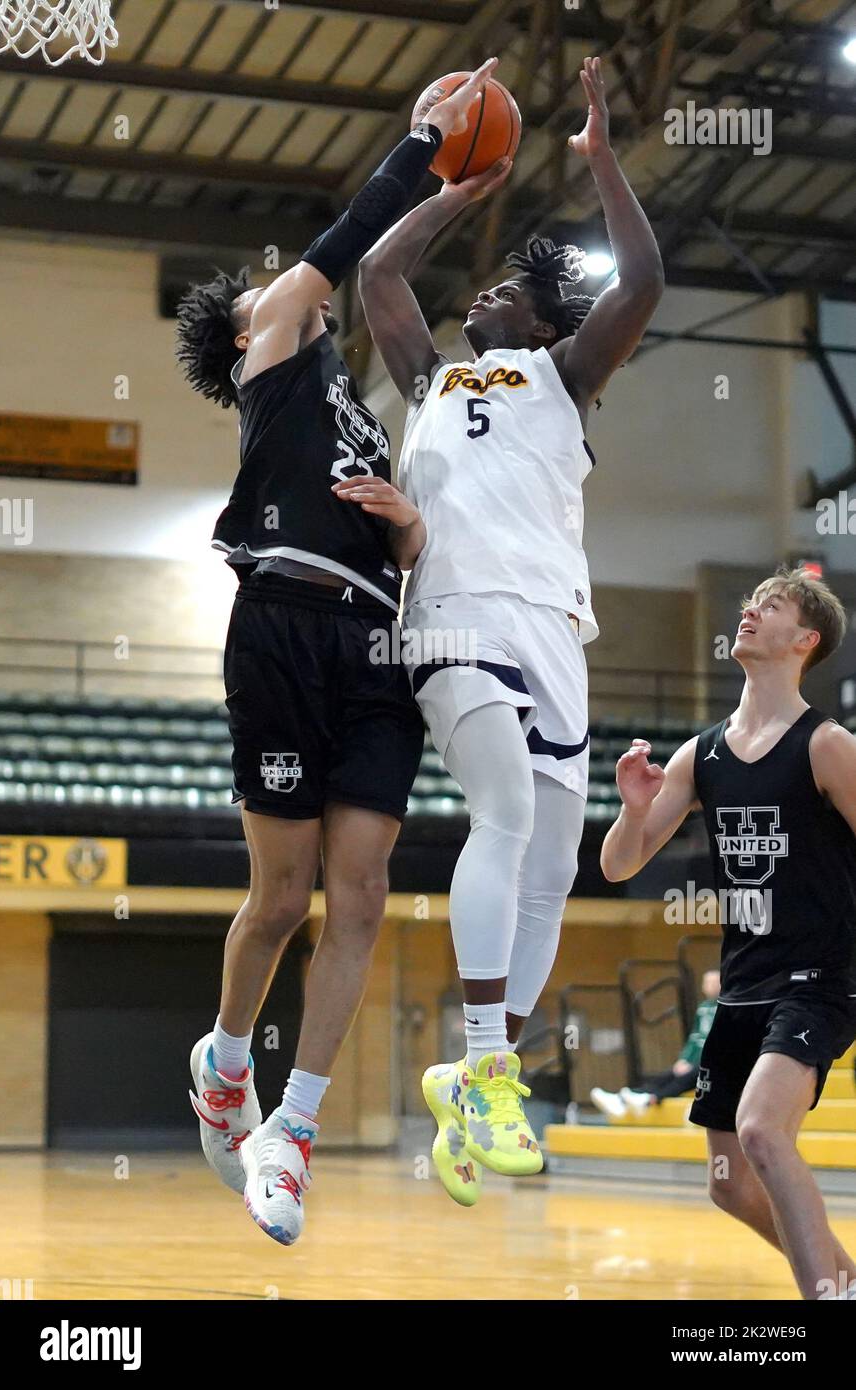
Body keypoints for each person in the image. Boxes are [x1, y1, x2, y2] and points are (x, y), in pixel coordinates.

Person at [173, 61, 499, 1246]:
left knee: (360, 893)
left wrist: (409, 527)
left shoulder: (356, 410)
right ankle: (222, 1059)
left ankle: (292, 1128)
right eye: (277, 282)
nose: (289, 282)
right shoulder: (270, 352)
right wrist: (422, 143)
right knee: (280, 897)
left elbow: (413, 540)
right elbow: (349, 247)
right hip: (278, 625)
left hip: (376, 639)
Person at [338, 56, 663, 1205]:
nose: (478, 299)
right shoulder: (426, 373)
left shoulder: (564, 374)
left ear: (539, 316)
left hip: (551, 627)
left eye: (501, 295)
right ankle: (481, 1067)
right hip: (455, 612)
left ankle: (482, 1076)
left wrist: (601, 163)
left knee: (550, 871)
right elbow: (378, 270)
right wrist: (453, 184)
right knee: (504, 812)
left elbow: (645, 281)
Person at [601, 567, 856, 1300]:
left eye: (770, 606)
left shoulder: (827, 746)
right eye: (749, 604)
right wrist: (631, 807)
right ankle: (843, 1280)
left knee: (762, 1131)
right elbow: (620, 865)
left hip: (817, 981)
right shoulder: (701, 754)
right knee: (728, 1185)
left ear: (804, 640)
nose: (749, 613)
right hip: (742, 986)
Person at [591, 969, 719, 1118]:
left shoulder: (723, 1008)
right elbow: (695, 1038)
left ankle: (648, 1099)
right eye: (707, 982)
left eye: (714, 982)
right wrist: (685, 1059)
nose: (710, 986)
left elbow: (714, 1043)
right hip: (695, 1061)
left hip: (709, 1063)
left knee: (685, 1078)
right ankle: (624, 1097)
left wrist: (695, 1062)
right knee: (668, 1075)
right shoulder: (703, 1008)